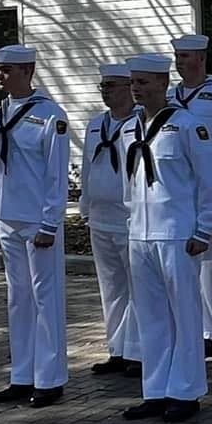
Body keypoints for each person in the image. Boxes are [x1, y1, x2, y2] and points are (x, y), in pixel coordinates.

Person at [122, 54, 212, 421]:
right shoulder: (130, 128)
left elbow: (210, 183)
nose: (137, 88)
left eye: (144, 82)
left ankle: (186, 390)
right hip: (141, 235)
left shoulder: (187, 126)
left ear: (164, 84)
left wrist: (203, 228)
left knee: (184, 314)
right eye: (134, 82)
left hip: (176, 233)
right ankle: (157, 389)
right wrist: (130, 224)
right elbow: (130, 184)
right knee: (151, 317)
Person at [0, 44, 71, 408]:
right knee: (18, 301)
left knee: (46, 300)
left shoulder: (50, 115)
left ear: (28, 70)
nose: (0, 76)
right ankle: (22, 375)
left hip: (37, 221)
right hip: (7, 220)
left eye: (8, 70)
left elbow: (55, 175)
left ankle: (50, 379)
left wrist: (51, 221)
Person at [171, 32, 212, 361]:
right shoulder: (170, 97)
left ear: (202, 59)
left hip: (210, 190)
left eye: (186, 57)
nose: (180, 63)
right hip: (179, 192)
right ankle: (194, 327)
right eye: (177, 57)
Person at [81, 62, 142, 379]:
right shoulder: (95, 125)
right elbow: (87, 166)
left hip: (128, 217)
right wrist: (85, 206)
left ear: (129, 89)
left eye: (112, 86)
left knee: (137, 288)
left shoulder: (141, 124)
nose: (106, 92)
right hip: (101, 217)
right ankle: (117, 349)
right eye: (102, 86)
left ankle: (139, 351)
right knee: (112, 288)